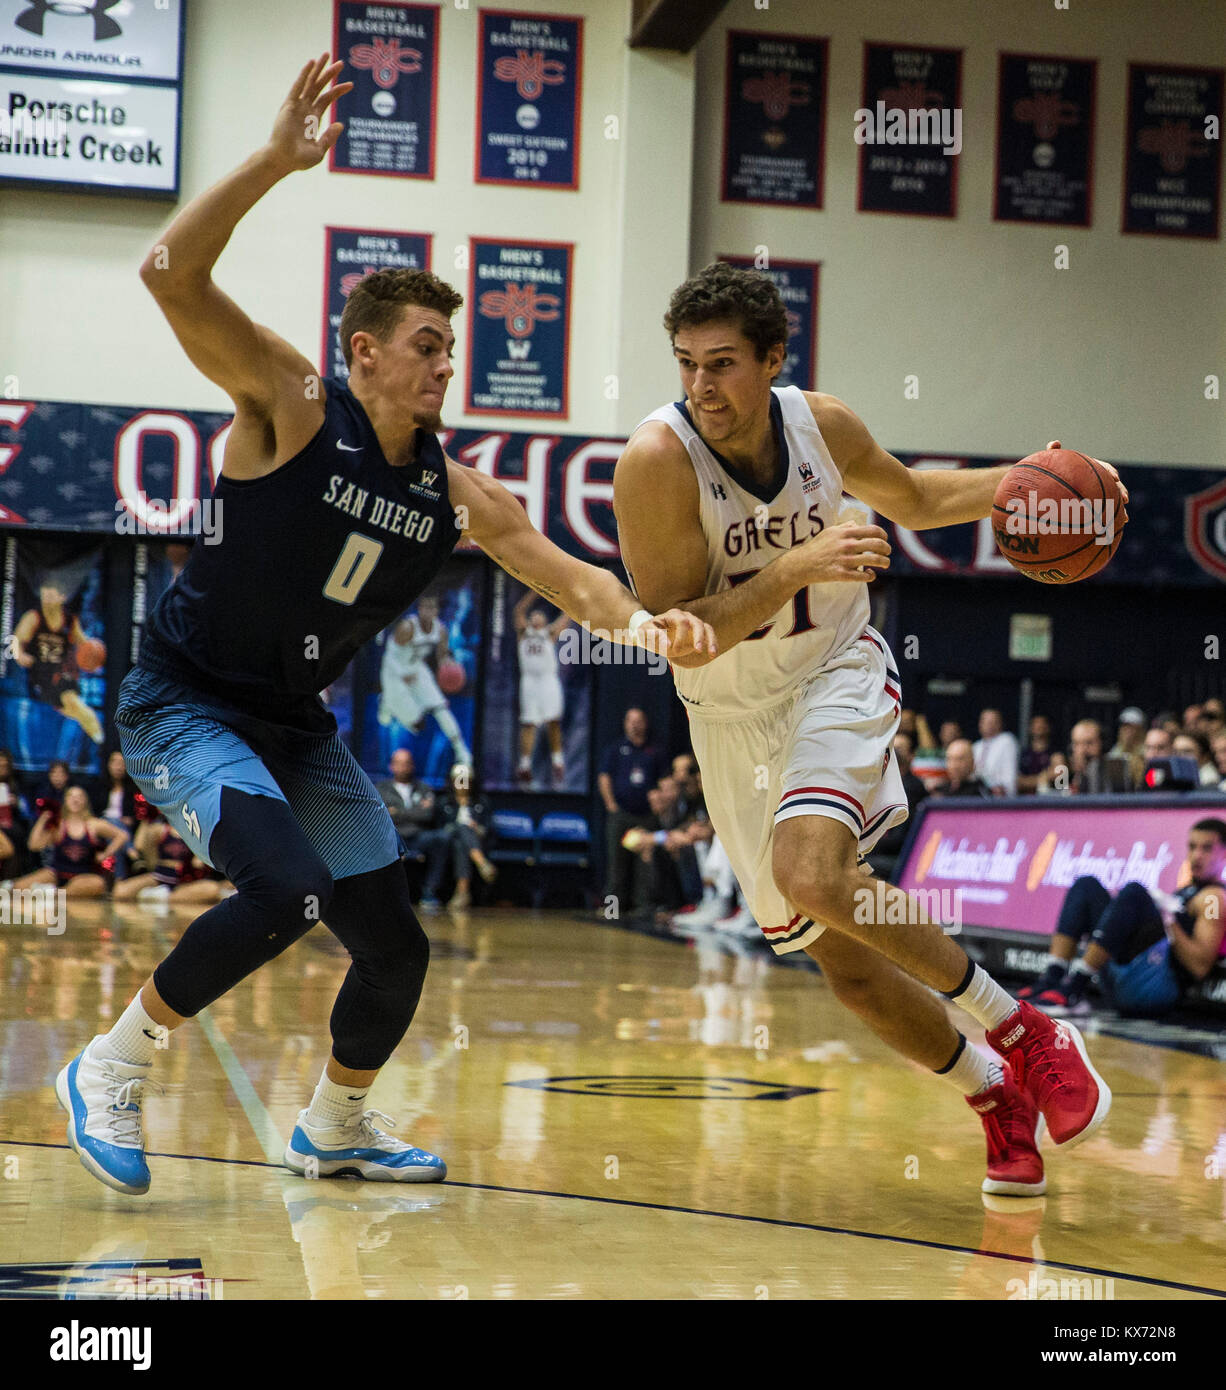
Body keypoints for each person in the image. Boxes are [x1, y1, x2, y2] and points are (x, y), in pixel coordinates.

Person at [56, 55, 715, 1199]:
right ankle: (110, 1063)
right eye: (424, 345)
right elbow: (167, 272)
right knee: (285, 891)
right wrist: (274, 158)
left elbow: (576, 581)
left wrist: (659, 629)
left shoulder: (458, 493)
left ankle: (337, 1125)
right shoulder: (292, 403)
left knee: (396, 944)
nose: (443, 364)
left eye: (448, 350)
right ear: (363, 351)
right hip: (185, 698)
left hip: (291, 725)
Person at [614, 260, 1123, 1196]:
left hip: (837, 673)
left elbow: (918, 500)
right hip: (730, 718)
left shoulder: (823, 424)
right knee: (843, 967)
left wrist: (1029, 483)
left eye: (722, 364)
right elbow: (688, 638)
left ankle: (1029, 1031)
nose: (701, 386)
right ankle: (993, 1092)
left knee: (815, 871)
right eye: (686, 364)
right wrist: (803, 560)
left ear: (773, 360)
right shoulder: (655, 465)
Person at [1019, 818, 1226, 1018]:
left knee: (1134, 892)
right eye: (1192, 847)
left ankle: (1074, 988)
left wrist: (1168, 920)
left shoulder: (1214, 900)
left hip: (1155, 990)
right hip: (1126, 976)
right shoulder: (1188, 890)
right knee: (1086, 886)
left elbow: (1200, 967)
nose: (1197, 855)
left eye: (1207, 848)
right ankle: (1053, 977)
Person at [377, 594, 472, 769]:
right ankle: (387, 701)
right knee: (418, 724)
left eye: (432, 607)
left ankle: (462, 752)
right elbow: (389, 656)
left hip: (417, 668)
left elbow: (442, 655)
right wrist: (401, 674)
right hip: (394, 671)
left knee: (441, 708)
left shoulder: (441, 630)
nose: (428, 611)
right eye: (424, 607)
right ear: (419, 609)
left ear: (436, 611)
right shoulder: (407, 628)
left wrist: (448, 664)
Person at [12, 582, 104, 745]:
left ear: (62, 597)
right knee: (75, 712)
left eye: (51, 593)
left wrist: (94, 653)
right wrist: (19, 654)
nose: (46, 597)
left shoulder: (70, 620)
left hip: (61, 673)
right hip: (40, 675)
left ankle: (101, 741)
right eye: (44, 592)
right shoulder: (33, 617)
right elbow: (15, 640)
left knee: (75, 705)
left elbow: (85, 644)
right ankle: (99, 740)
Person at [597, 708, 669, 915]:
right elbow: (604, 777)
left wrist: (660, 807)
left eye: (638, 721)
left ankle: (643, 907)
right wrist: (611, 805)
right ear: (625, 723)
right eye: (630, 720)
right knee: (616, 864)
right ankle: (612, 908)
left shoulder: (655, 751)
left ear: (645, 723)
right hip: (621, 815)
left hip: (646, 816)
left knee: (645, 863)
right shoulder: (616, 749)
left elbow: (663, 781)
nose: (634, 725)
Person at [17, 786, 128, 898]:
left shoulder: (94, 824)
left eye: (79, 797)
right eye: (71, 796)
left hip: (83, 877)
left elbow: (122, 835)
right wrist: (43, 819)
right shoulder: (59, 824)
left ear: (85, 801)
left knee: (99, 883)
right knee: (19, 886)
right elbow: (33, 845)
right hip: (56, 874)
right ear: (65, 801)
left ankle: (55, 893)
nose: (75, 800)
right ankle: (57, 893)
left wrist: (105, 854)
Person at [513, 586, 570, 788]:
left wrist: (559, 594)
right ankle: (525, 765)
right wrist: (535, 591)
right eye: (534, 614)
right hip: (529, 681)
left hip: (548, 680)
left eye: (540, 615)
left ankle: (558, 761)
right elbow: (519, 611)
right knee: (529, 723)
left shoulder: (550, 633)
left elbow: (567, 616)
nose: (537, 616)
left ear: (545, 621)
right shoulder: (523, 632)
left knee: (552, 721)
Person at [419, 766, 496, 911]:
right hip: (447, 842)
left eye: (465, 780)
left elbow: (489, 828)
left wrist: (477, 828)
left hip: (475, 841)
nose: (462, 784)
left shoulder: (482, 802)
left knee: (461, 843)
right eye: (459, 780)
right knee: (460, 828)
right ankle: (481, 863)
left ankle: (462, 892)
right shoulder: (443, 803)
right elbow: (439, 828)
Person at [113, 819, 230, 907]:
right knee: (120, 892)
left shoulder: (198, 831)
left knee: (212, 889)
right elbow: (142, 849)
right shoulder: (159, 829)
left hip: (185, 880)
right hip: (161, 875)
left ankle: (162, 897)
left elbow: (198, 863)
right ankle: (160, 896)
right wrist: (145, 820)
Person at [972, 708, 1018, 796]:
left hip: (1001, 797)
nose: (989, 725)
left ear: (1000, 724)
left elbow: (1009, 777)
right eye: (986, 721)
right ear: (980, 724)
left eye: (993, 721)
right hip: (977, 794)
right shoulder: (976, 746)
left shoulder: (1006, 740)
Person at [1016, 714, 1056, 794]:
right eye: (1036, 724)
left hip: (1049, 800)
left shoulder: (1055, 753)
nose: (1039, 726)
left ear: (1048, 727)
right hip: (1023, 801)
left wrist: (1027, 781)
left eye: (1042, 724)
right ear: (1030, 728)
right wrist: (1043, 778)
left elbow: (1058, 773)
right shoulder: (1022, 754)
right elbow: (1016, 782)